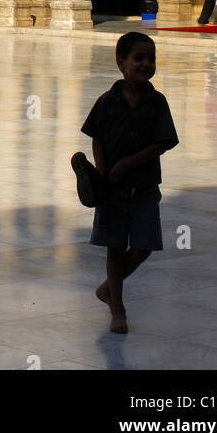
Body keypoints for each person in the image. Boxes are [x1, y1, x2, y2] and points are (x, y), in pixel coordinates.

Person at [71, 31, 178, 334]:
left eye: (151, 59)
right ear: (121, 63)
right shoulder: (107, 102)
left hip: (144, 185)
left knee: (144, 245)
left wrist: (127, 163)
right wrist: (104, 169)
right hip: (113, 189)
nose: (146, 64)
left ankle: (108, 286)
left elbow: (162, 143)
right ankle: (117, 307)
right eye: (138, 58)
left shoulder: (157, 102)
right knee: (115, 245)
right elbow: (96, 138)